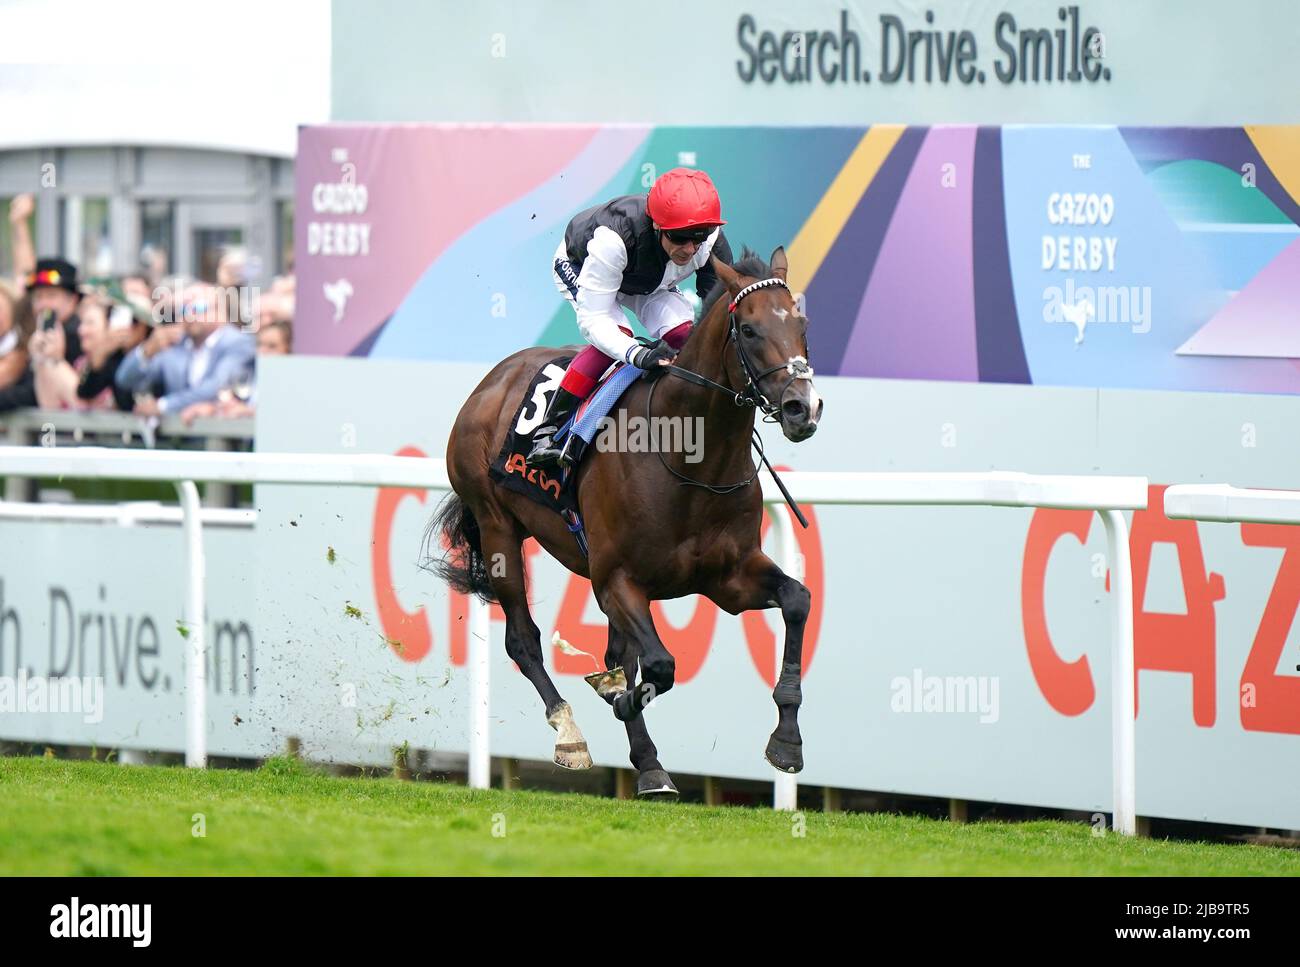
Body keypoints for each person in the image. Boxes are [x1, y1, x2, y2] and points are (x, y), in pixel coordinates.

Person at [526, 167, 733, 469]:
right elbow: (594, 322)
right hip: (584, 267)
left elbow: (715, 316)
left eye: (698, 238)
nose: (690, 249)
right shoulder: (612, 240)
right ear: (658, 227)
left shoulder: (710, 238)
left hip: (648, 279)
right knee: (615, 338)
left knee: (684, 336)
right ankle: (547, 431)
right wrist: (637, 354)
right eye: (680, 238)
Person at [114, 283, 255, 417]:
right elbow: (124, 380)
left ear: (218, 309)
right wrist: (148, 350)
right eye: (183, 309)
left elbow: (216, 387)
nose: (189, 315)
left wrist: (163, 406)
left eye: (198, 308)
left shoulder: (238, 342)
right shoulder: (176, 345)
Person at [0, 257, 84, 413]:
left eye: (51, 296)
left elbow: (31, 394)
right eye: (38, 297)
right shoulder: (39, 334)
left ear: (73, 300)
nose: (43, 304)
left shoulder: (79, 336)